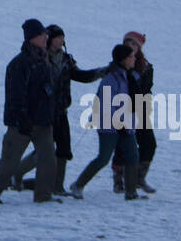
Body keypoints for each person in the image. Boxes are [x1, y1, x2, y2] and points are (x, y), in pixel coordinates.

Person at [12, 26, 110, 195]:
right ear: (50, 38)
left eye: (63, 38)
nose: (61, 41)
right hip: (43, 111)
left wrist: (102, 72)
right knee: (44, 150)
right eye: (58, 38)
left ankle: (57, 186)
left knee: (64, 149)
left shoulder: (66, 60)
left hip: (61, 111)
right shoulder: (40, 59)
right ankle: (17, 174)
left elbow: (81, 76)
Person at [0, 19, 58, 204]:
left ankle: (43, 196)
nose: (46, 37)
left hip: (42, 122)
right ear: (33, 37)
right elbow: (15, 96)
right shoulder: (20, 63)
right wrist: (22, 119)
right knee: (9, 162)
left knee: (48, 158)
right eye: (43, 34)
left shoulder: (44, 60)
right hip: (21, 123)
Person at [67, 43, 145, 201]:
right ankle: (78, 185)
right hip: (109, 125)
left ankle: (131, 193)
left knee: (133, 155)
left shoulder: (130, 77)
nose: (134, 59)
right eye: (131, 56)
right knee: (103, 158)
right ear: (123, 59)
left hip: (125, 124)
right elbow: (105, 104)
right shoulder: (111, 79)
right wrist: (119, 122)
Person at [111, 31, 156, 193]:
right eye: (128, 43)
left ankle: (139, 178)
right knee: (122, 147)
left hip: (140, 111)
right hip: (123, 111)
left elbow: (146, 89)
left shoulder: (146, 67)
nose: (131, 47)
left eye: (134, 44)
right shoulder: (119, 65)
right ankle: (119, 180)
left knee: (149, 144)